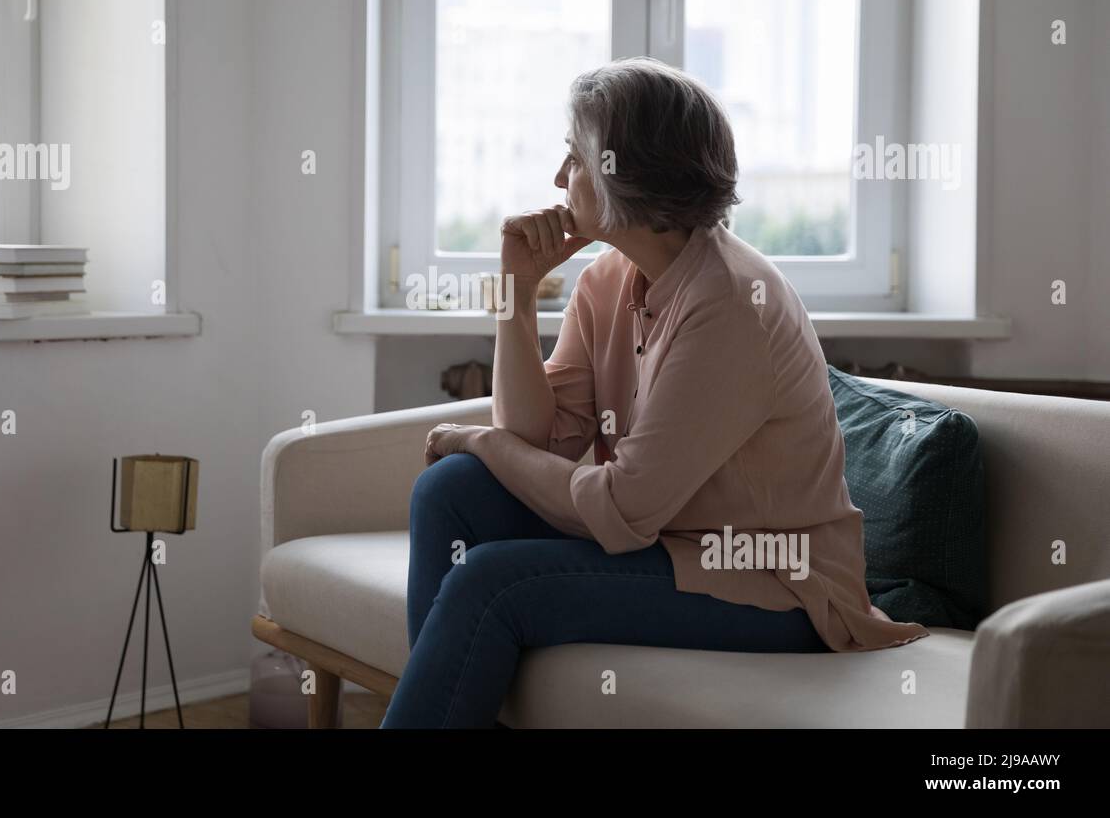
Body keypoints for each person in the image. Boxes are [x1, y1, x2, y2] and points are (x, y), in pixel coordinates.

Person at [379, 57, 928, 729]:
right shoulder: (609, 278)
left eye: (573, 158)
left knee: (493, 583)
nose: (558, 179)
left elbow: (619, 509)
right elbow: (539, 441)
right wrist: (515, 296)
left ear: (624, 177)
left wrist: (483, 441)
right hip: (665, 543)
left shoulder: (730, 303)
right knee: (448, 492)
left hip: (776, 583)